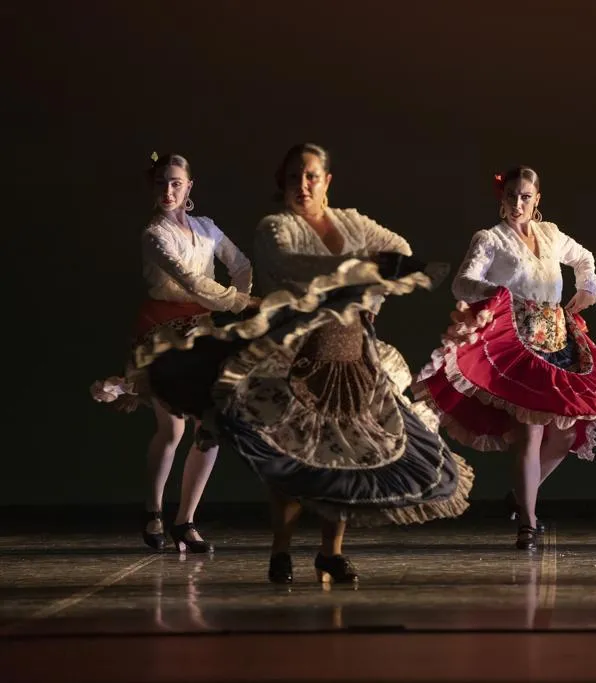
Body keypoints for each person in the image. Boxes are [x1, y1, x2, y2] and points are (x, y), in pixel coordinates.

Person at [134, 143, 473, 584]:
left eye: (311, 176)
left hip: (350, 352)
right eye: (294, 177)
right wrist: (249, 300)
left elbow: (399, 250)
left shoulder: (350, 222)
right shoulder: (276, 226)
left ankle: (330, 552)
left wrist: (374, 288)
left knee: (348, 454)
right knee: (292, 453)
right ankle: (276, 547)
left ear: (327, 181)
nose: (303, 185)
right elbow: (293, 263)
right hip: (293, 354)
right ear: (283, 184)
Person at [412, 165, 596, 551]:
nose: (517, 203)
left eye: (525, 197)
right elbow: (462, 282)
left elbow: (585, 259)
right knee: (530, 434)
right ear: (502, 200)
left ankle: (521, 497)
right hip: (517, 341)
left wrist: (589, 288)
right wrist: (497, 293)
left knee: (563, 434)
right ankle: (527, 523)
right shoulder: (491, 239)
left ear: (537, 201)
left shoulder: (550, 234)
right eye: (511, 196)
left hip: (559, 338)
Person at [91, 152, 256, 553]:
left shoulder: (206, 228)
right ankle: (153, 512)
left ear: (189, 187)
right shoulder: (154, 234)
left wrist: (243, 297)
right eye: (162, 182)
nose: (168, 190)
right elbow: (193, 282)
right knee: (173, 429)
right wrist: (240, 304)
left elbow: (241, 264)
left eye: (176, 183)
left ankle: (186, 521)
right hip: (163, 333)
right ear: (154, 186)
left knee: (209, 430)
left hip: (201, 332)